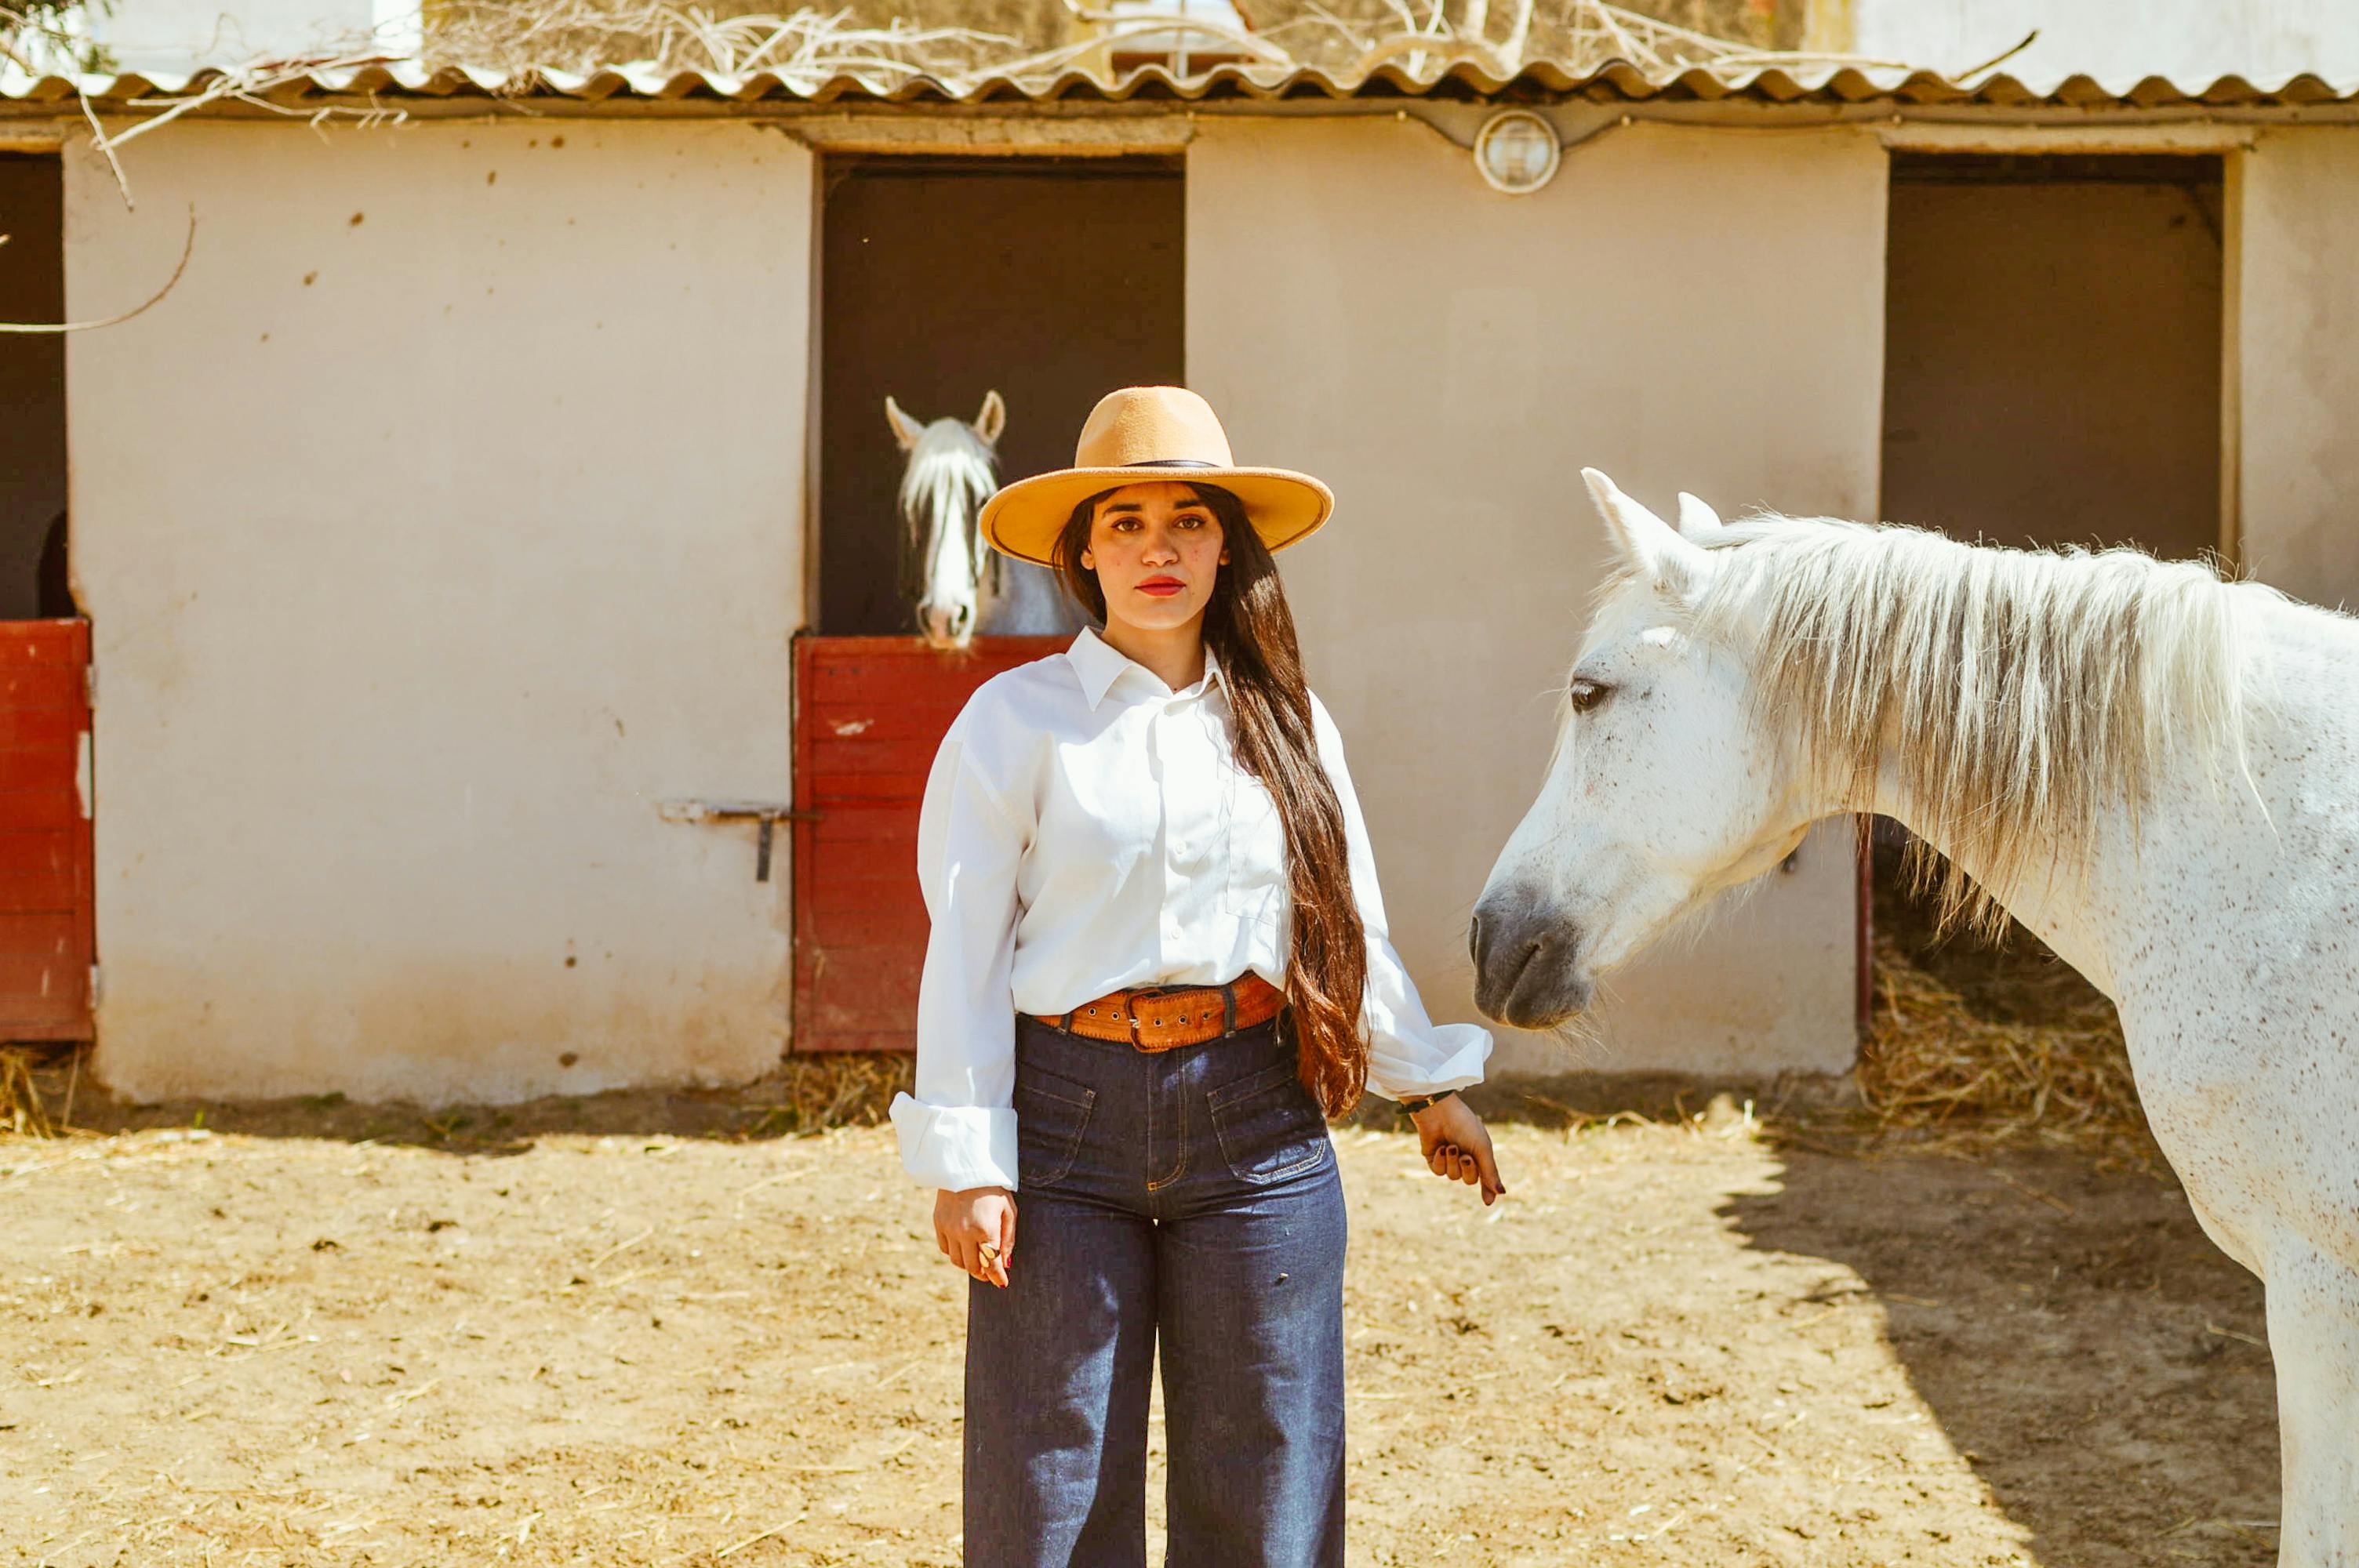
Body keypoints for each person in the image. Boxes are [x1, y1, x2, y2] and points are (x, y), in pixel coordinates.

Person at [888, 385, 1503, 1567]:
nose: (1158, 548)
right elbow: (963, 948)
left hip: (1257, 1128)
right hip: (1062, 1132)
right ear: (1081, 551)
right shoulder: (1010, 725)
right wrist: (966, 1164)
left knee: (1268, 1479)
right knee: (1046, 1488)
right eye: (1124, 521)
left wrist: (1429, 1089)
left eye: (1189, 520)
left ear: (1230, 547)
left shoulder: (1290, 724)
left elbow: (1345, 925)